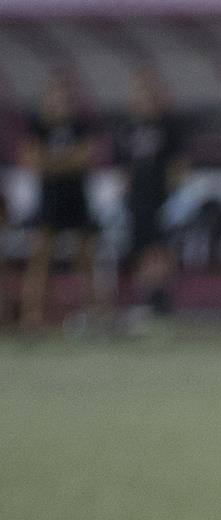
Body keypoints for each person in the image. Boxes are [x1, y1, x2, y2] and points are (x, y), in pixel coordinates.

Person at [20, 82, 107, 334]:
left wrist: (52, 162)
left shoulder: (80, 126)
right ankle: (31, 317)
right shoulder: (37, 126)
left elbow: (85, 158)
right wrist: (65, 161)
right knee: (39, 258)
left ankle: (96, 314)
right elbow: (32, 161)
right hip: (48, 202)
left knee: (86, 258)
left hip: (76, 200)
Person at [116, 72, 189, 320]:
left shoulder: (169, 126)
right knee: (140, 248)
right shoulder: (127, 128)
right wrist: (125, 193)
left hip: (161, 196)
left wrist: (173, 192)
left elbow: (178, 163)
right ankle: (146, 296)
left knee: (160, 248)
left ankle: (162, 296)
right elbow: (123, 166)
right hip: (138, 198)